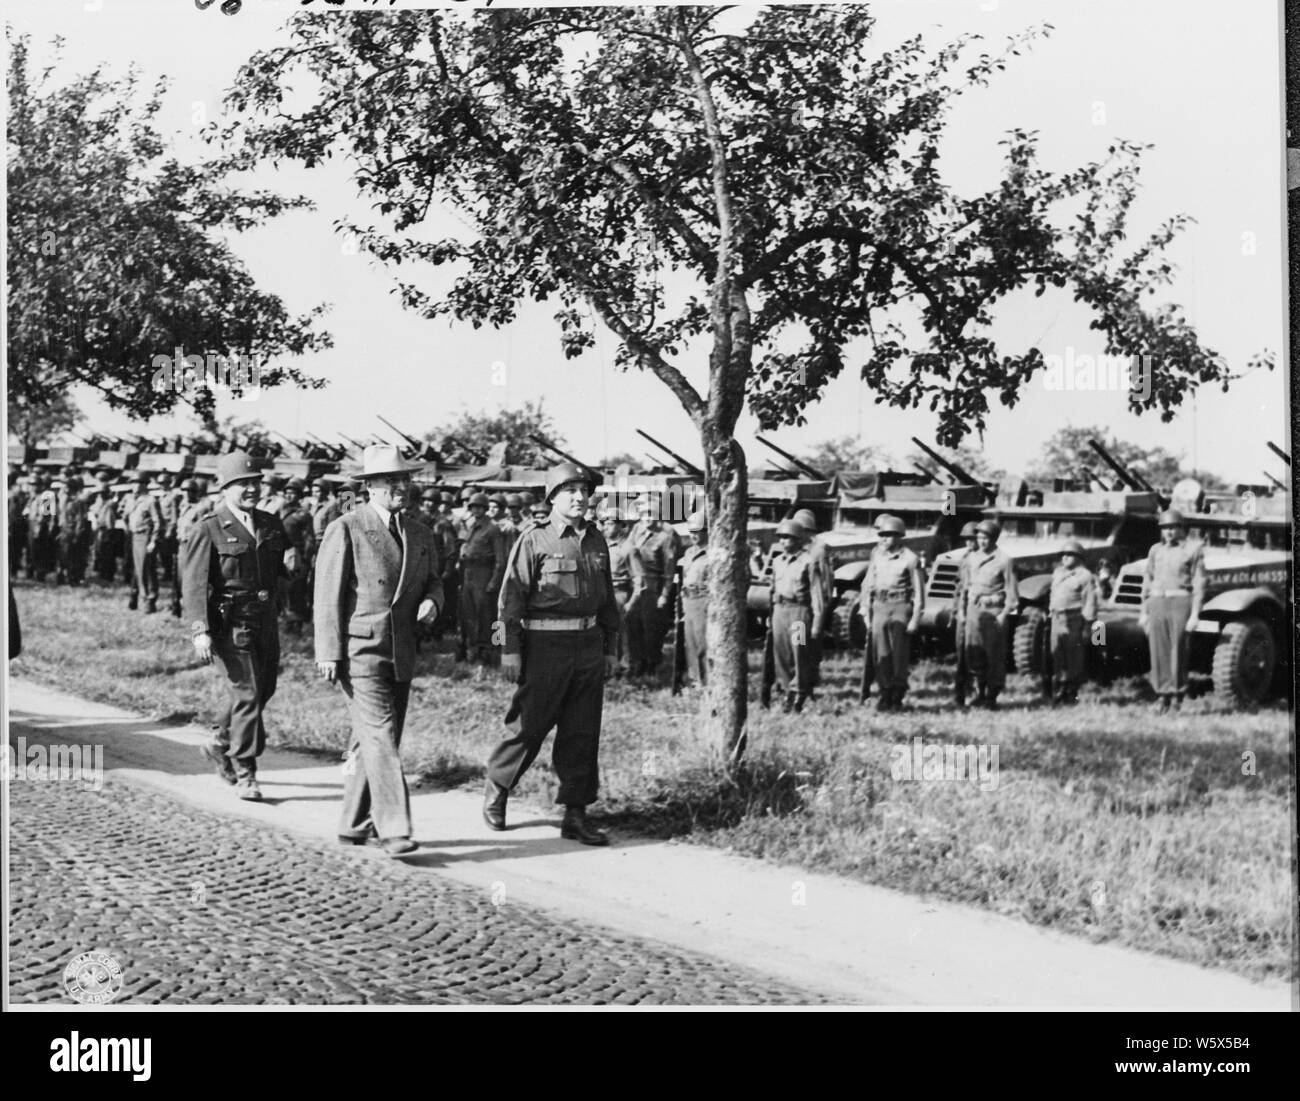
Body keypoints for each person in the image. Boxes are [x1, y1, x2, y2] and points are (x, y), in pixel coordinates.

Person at [314, 445, 443, 857]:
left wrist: (433, 602)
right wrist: (328, 651)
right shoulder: (348, 527)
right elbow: (327, 594)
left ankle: (353, 824)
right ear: (370, 487)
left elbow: (437, 580)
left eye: (404, 480)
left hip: (402, 649)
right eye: (391, 481)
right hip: (361, 651)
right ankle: (393, 829)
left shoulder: (421, 533)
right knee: (381, 738)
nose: (400, 487)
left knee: (377, 741)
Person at [483, 462, 620, 846]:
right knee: (529, 726)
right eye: (570, 491)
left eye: (584, 491)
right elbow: (509, 601)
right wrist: (508, 650)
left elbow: (607, 600)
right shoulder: (534, 540)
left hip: (588, 647)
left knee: (582, 732)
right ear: (554, 497)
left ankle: (575, 813)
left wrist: (610, 648)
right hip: (544, 647)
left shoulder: (596, 540)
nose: (579, 497)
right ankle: (498, 786)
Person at [183, 452, 288, 801]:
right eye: (243, 484)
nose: (252, 489)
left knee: (264, 688)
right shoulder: (209, 527)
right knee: (248, 693)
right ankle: (246, 771)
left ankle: (219, 741)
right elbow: (195, 584)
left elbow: (282, 571)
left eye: (256, 482)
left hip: (265, 620)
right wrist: (200, 629)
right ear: (226, 487)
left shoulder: (272, 524)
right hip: (230, 623)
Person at [1139, 509, 1206, 712]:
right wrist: (1144, 611)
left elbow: (1199, 582)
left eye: (1173, 527)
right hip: (1157, 601)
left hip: (1180, 602)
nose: (1168, 532)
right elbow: (1148, 579)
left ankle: (1177, 695)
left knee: (1178, 649)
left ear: (1181, 529)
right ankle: (1162, 695)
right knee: (1158, 650)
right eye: (1165, 528)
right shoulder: (1155, 550)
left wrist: (1195, 614)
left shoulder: (1193, 550)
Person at [861, 514, 924, 711]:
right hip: (880, 606)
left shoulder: (911, 559)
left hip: (900, 606)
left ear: (899, 536)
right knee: (881, 653)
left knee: (899, 655)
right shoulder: (877, 556)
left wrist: (915, 618)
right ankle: (884, 693)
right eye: (882, 535)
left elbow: (919, 592)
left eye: (889, 535)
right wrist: (865, 610)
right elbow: (868, 584)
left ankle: (897, 695)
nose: (884, 539)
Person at [957, 520, 1018, 709]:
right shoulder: (971, 558)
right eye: (980, 537)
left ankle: (991, 696)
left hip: (994, 611)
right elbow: (965, 588)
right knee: (974, 652)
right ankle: (978, 692)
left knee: (994, 654)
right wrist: (961, 610)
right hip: (974, 609)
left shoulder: (1004, 560)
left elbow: (1012, 592)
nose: (982, 541)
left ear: (994, 539)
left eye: (986, 538)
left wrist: (1004, 614)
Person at [768, 518, 824, 712]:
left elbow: (817, 594)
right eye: (782, 537)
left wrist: (817, 621)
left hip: (799, 613)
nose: (784, 541)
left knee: (799, 652)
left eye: (788, 538)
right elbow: (772, 588)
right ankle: (786, 691)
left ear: (799, 539)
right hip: (780, 611)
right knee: (781, 653)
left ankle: (800, 692)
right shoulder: (777, 561)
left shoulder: (808, 562)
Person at [626, 495, 679, 679]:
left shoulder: (665, 536)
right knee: (633, 625)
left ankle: (652, 664)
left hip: (653, 586)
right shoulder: (636, 530)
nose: (647, 517)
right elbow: (629, 553)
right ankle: (637, 662)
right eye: (644, 514)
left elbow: (669, 568)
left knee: (652, 629)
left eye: (651, 514)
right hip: (635, 585)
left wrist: (664, 594)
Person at [458, 491, 506, 664]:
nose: (476, 510)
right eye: (473, 507)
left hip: (484, 573)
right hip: (469, 573)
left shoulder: (492, 529)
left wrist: (494, 581)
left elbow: (500, 559)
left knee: (486, 614)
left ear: (485, 508)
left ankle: (489, 651)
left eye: (479, 507)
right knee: (469, 613)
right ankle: (473, 648)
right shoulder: (472, 526)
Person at [1047, 541, 1097, 705]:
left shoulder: (1085, 576)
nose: (1065, 558)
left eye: (1069, 555)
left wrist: (1088, 626)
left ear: (1078, 557)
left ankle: (1070, 694)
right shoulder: (1057, 573)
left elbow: (1090, 602)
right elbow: (1054, 594)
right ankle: (1058, 692)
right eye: (1063, 555)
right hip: (1057, 618)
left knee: (1073, 658)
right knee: (1057, 655)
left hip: (1074, 619)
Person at [601, 505, 644, 677]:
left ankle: (625, 669)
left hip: (620, 594)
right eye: (604, 523)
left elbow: (639, 579)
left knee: (622, 634)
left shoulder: (628, 548)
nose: (605, 527)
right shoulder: (602, 546)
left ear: (621, 526)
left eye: (610, 523)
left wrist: (631, 602)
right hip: (604, 594)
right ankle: (608, 669)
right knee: (605, 633)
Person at [279, 477, 317, 634]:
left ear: (299, 496)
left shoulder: (303, 514)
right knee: (284, 589)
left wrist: (305, 560)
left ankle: (297, 624)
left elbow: (309, 538)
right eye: (287, 493)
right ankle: (288, 620)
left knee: (296, 590)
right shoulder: (282, 511)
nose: (289, 496)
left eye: (293, 494)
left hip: (296, 557)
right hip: (282, 555)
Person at [678, 509, 710, 686]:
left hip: (703, 600)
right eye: (691, 532)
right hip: (688, 600)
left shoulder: (712, 554)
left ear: (706, 532)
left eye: (698, 531)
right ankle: (695, 679)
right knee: (689, 643)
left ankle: (706, 680)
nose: (694, 535)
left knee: (703, 643)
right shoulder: (689, 553)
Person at [950, 520, 980, 706]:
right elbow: (958, 587)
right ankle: (961, 693)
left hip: (977, 610)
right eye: (966, 539)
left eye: (973, 538)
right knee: (961, 653)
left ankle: (977, 691)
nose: (969, 542)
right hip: (963, 610)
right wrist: (956, 610)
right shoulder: (964, 560)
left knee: (976, 652)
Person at [125, 476, 164, 612]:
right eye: (133, 483)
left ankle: (150, 599)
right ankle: (136, 597)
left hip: (145, 536)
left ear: (145, 485)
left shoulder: (150, 500)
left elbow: (158, 522)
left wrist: (153, 541)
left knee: (146, 570)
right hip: (134, 536)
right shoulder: (131, 499)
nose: (135, 486)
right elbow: (126, 515)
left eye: (138, 482)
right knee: (137, 568)